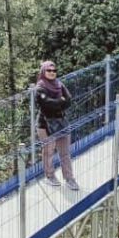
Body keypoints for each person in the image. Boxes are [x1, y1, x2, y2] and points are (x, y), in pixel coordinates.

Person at [34, 61, 79, 190]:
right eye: (49, 70)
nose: (52, 73)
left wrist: (56, 103)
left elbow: (69, 100)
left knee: (65, 152)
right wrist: (60, 101)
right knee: (48, 151)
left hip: (61, 121)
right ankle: (49, 176)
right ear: (43, 71)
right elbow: (46, 104)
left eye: (54, 71)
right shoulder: (40, 87)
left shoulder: (59, 84)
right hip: (45, 124)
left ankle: (69, 178)